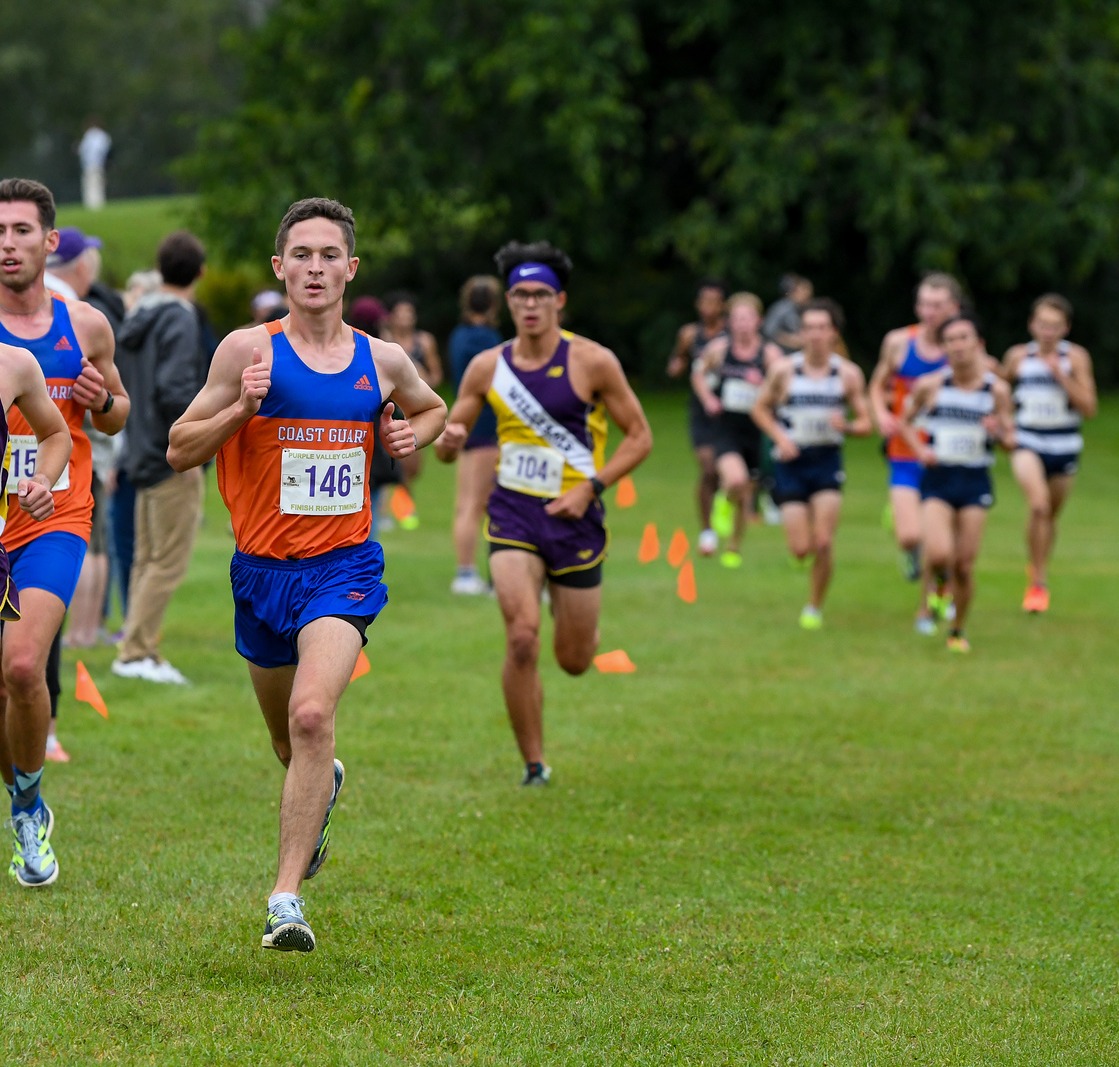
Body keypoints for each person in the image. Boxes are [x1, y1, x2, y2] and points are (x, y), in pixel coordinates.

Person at [167, 197, 446, 952]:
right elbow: (179, 447)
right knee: (289, 743)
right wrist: (240, 412)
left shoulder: (380, 360)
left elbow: (434, 409)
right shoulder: (243, 353)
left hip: (343, 568)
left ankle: (285, 897)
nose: (315, 268)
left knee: (314, 715)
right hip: (260, 574)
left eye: (330, 255)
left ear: (349, 269)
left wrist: (404, 430)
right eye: (302, 255)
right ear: (279, 267)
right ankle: (320, 790)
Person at [435, 240, 653, 786]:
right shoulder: (488, 367)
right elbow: (447, 439)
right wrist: (448, 440)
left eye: (540, 295)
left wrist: (591, 488)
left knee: (575, 659)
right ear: (508, 302)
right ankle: (534, 763)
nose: (529, 305)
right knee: (522, 637)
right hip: (512, 514)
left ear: (559, 300)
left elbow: (641, 438)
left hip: (576, 516)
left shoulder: (593, 361)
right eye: (519, 295)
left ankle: (579, 623)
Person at [0, 177, 129, 887]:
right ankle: (26, 794)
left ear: (50, 241)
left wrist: (101, 399)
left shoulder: (84, 324)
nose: (7, 244)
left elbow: (117, 413)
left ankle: (25, 809)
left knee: (23, 665)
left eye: (21, 230)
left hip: (56, 515)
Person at [111, 231, 210, 685]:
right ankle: (136, 654)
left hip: (138, 451)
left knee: (147, 559)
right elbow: (174, 391)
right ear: (201, 273)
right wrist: (202, 432)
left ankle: (134, 647)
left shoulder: (138, 316)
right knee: (167, 561)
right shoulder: (181, 319)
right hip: (173, 455)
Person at [897, 315, 1015, 652]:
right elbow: (903, 422)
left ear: (978, 344)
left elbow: (1010, 441)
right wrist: (921, 449)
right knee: (938, 553)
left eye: (964, 338)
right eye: (951, 340)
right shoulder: (931, 385)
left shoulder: (997, 390)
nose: (958, 345)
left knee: (963, 564)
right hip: (939, 477)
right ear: (944, 347)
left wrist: (998, 432)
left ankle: (957, 630)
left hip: (975, 479)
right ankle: (936, 588)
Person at [752, 299, 872, 628]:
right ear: (800, 333)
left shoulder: (847, 374)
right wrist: (781, 439)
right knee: (801, 548)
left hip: (826, 461)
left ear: (833, 333)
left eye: (822, 328)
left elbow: (865, 422)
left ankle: (815, 606)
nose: (815, 335)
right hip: (791, 462)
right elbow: (759, 409)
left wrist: (845, 426)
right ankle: (805, 561)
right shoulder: (784, 371)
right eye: (809, 328)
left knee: (824, 540)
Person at [869, 272, 962, 615]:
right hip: (905, 452)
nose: (929, 311)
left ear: (953, 307)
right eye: (924, 304)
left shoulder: (964, 345)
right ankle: (910, 552)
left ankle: (933, 603)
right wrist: (881, 413)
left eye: (937, 305)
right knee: (911, 536)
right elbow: (877, 385)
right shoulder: (899, 342)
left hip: (947, 454)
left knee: (943, 545)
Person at [1002, 294, 1097, 614]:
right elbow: (999, 395)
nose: (1047, 331)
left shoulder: (1077, 358)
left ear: (1066, 328)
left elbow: (1090, 407)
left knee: (1048, 517)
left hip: (1064, 444)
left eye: (1055, 326)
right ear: (1032, 325)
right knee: (1039, 506)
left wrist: (1061, 375)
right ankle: (1039, 583)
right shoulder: (1017, 357)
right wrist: (1003, 427)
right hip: (1028, 440)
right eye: (1042, 324)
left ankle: (1036, 564)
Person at [690, 293, 783, 567]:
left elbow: (781, 389)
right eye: (737, 319)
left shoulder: (769, 354)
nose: (742, 324)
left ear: (759, 321)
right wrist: (708, 398)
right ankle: (722, 500)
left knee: (746, 493)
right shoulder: (719, 349)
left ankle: (734, 546)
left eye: (748, 319)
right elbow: (698, 374)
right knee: (736, 480)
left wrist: (762, 385)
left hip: (755, 430)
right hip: (725, 427)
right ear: (730, 321)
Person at [446, 275, 502, 595]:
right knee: (481, 504)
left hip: (465, 425)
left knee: (466, 502)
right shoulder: (488, 338)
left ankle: (468, 573)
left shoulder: (459, 335)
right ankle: (469, 575)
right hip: (488, 428)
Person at [665, 280, 726, 556]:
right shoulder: (690, 334)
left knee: (731, 472)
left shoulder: (732, 334)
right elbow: (676, 361)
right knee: (708, 468)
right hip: (701, 410)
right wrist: (677, 367)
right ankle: (707, 529)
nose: (709, 307)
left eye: (714, 301)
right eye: (705, 301)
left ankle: (731, 510)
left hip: (730, 410)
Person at [381, 292, 442, 529]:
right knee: (385, 464)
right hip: (386, 409)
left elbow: (437, 375)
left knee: (411, 468)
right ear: (392, 317)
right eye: (400, 313)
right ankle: (388, 512)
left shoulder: (424, 341)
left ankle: (402, 504)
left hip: (413, 410)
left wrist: (422, 378)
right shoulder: (382, 342)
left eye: (409, 313)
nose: (405, 318)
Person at [762, 273, 813, 354]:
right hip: (781, 354)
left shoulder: (809, 309)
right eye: (804, 290)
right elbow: (768, 330)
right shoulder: (781, 308)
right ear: (794, 291)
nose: (808, 294)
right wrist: (791, 340)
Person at [77, 121, 112, 210]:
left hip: (89, 164)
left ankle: (92, 205)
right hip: (100, 164)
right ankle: (99, 204)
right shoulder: (103, 136)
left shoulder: (88, 136)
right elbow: (106, 149)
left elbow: (83, 150)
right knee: (99, 184)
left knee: (91, 185)